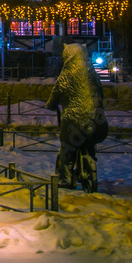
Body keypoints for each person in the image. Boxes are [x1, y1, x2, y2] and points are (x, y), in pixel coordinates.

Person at [46, 43, 108, 192]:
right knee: (90, 141)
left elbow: (56, 92)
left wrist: (51, 105)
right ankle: (89, 158)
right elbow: (100, 91)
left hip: (74, 121)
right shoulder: (91, 73)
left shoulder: (67, 74)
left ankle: (66, 178)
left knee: (68, 148)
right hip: (97, 123)